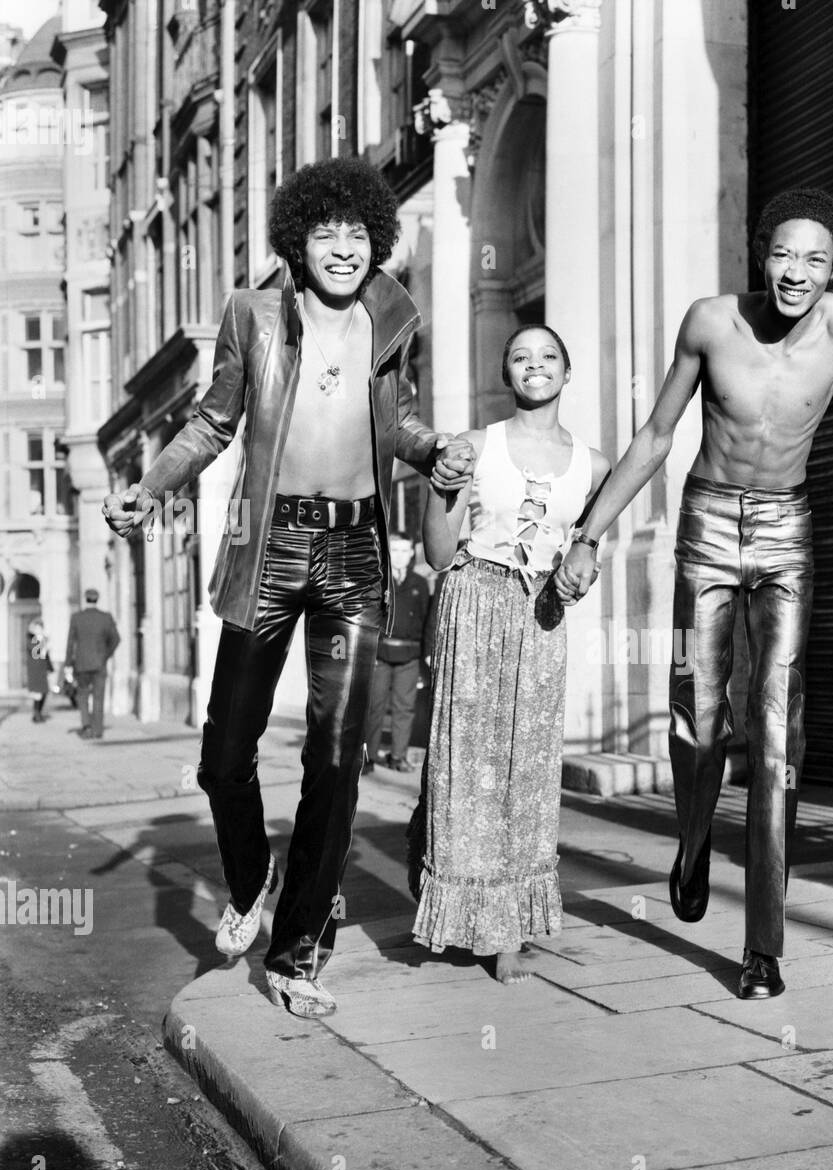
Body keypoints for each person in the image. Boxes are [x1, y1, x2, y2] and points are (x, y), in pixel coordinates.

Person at [559, 187, 833, 1000]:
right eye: (784, 254)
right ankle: (691, 843)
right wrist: (589, 534)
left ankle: (763, 947)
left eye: (815, 259)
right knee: (697, 714)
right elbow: (656, 436)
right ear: (761, 256)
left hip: (788, 534)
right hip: (706, 525)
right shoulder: (710, 322)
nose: (797, 272)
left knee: (775, 733)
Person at [103, 157, 474, 1018]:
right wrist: (151, 488)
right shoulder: (253, 316)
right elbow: (211, 421)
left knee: (335, 763)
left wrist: (434, 449)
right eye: (323, 232)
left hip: (352, 557)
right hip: (268, 547)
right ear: (296, 240)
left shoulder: (393, 314)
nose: (341, 248)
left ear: (372, 240)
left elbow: (399, 418)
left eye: (355, 233)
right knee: (225, 756)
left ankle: (299, 951)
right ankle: (251, 878)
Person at [407, 325, 609, 984]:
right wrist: (437, 489)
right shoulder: (472, 445)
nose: (535, 365)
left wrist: (585, 571)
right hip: (473, 600)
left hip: (542, 614)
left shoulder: (596, 466)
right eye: (521, 356)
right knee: (471, 764)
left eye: (549, 355)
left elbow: (587, 552)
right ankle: (472, 916)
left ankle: (512, 928)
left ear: (568, 371)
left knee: (528, 766)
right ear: (506, 373)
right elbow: (438, 552)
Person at [362, 531, 434, 774]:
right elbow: (367, 619)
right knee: (374, 707)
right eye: (396, 551)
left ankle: (398, 756)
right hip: (380, 655)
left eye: (406, 551)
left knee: (405, 708)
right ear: (388, 553)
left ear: (413, 553)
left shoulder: (420, 584)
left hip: (410, 657)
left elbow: (427, 622)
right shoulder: (377, 582)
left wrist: (426, 656)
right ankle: (368, 757)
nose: (401, 556)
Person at [65, 591, 120, 739]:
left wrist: (68, 664)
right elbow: (116, 639)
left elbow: (70, 642)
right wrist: (105, 655)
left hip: (81, 664)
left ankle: (87, 726)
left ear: (85, 599)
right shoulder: (105, 618)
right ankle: (98, 730)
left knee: (82, 695)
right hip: (99, 664)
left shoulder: (77, 618)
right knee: (98, 697)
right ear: (97, 599)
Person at [26, 618, 53, 723]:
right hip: (35, 669)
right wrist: (44, 644)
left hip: (42, 669)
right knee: (38, 693)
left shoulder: (43, 639)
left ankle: (38, 713)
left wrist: (50, 668)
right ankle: (36, 714)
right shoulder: (32, 639)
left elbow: (46, 656)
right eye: (36, 628)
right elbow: (35, 653)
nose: (38, 630)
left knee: (44, 692)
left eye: (40, 628)